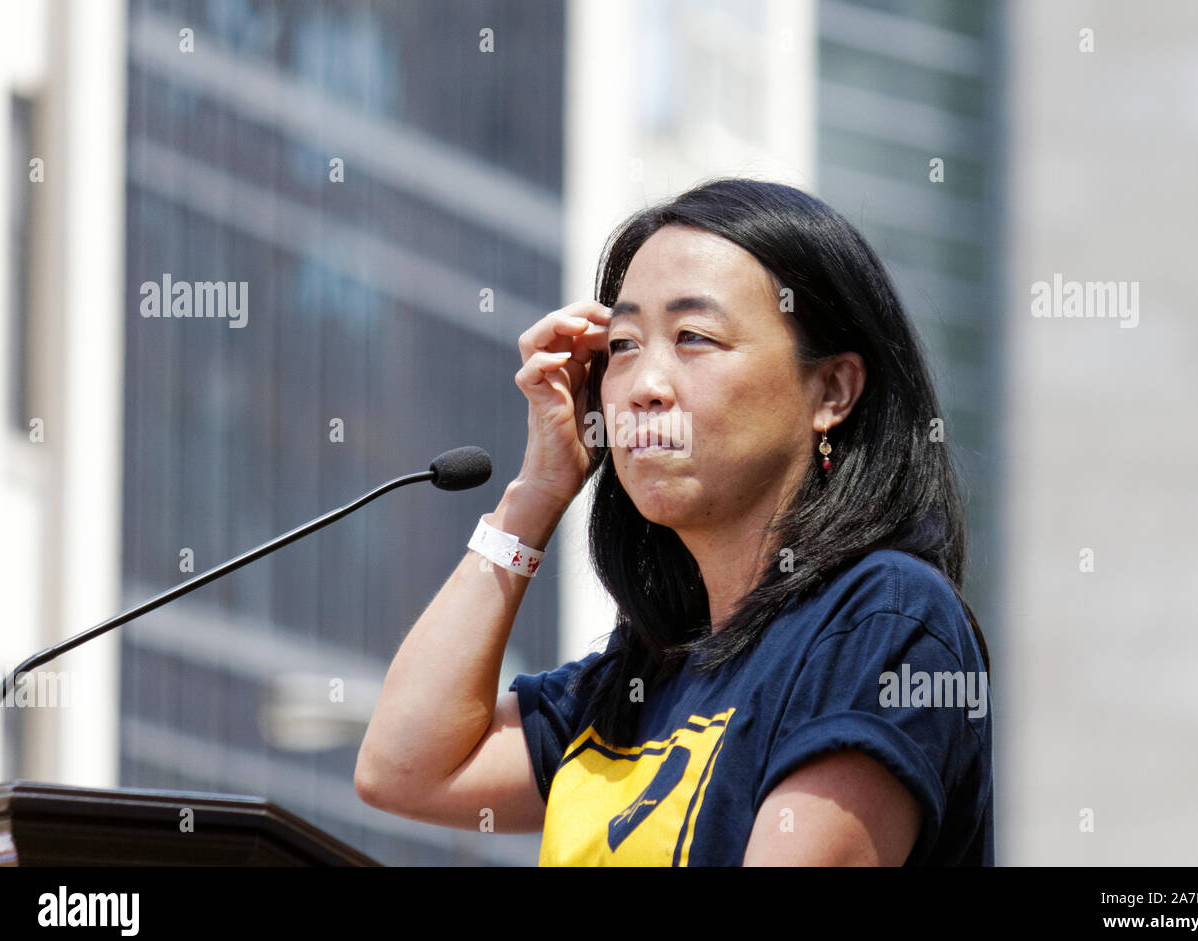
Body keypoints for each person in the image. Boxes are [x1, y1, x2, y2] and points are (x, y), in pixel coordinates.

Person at [355, 177, 994, 866]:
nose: (645, 386)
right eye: (624, 345)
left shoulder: (885, 619)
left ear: (832, 390)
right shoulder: (638, 678)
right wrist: (535, 495)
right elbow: (406, 769)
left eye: (694, 337)